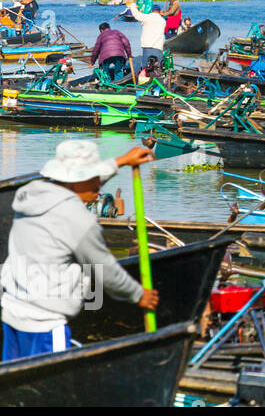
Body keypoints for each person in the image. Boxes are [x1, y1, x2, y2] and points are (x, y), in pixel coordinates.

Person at [1, 141, 159, 360]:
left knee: (16, 388)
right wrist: (139, 294)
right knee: (51, 388)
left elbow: (80, 187)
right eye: (92, 178)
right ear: (74, 182)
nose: (99, 185)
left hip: (11, 313)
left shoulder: (30, 194)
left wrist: (121, 161)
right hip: (45, 323)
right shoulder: (78, 219)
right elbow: (106, 271)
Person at [126, 0, 166, 65]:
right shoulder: (163, 21)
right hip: (158, 47)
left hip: (147, 47)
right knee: (158, 68)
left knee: (146, 68)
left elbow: (136, 15)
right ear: (159, 11)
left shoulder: (147, 18)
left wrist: (132, 5)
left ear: (151, 11)